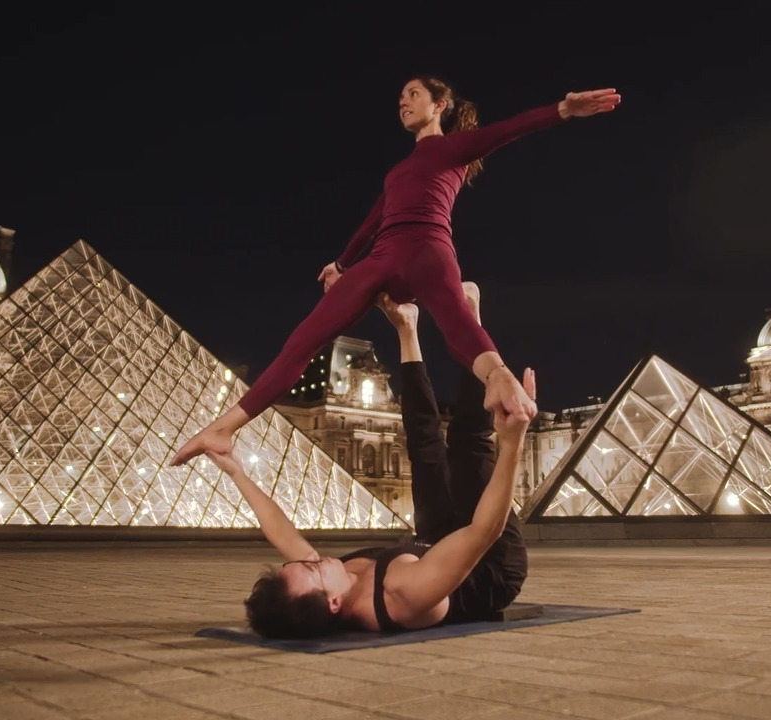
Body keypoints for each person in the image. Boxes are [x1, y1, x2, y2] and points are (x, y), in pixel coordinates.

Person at [171, 76, 618, 466]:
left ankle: (499, 379)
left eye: (413, 93)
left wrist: (563, 109)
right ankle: (224, 428)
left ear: (439, 104)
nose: (402, 101)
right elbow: (373, 221)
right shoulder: (398, 171)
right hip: (381, 259)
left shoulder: (454, 148)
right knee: (303, 339)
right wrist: (341, 264)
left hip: (429, 250)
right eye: (400, 97)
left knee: (456, 319)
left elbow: (509, 130)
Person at [202, 284, 535, 637]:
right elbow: (483, 532)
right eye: (312, 570)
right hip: (490, 563)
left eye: (302, 563)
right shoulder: (401, 594)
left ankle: (407, 329)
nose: (314, 559)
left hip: (434, 541)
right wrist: (513, 441)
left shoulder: (321, 584)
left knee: (423, 447)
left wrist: (235, 470)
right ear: (333, 603)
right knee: (468, 445)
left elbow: (279, 528)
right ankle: (472, 325)